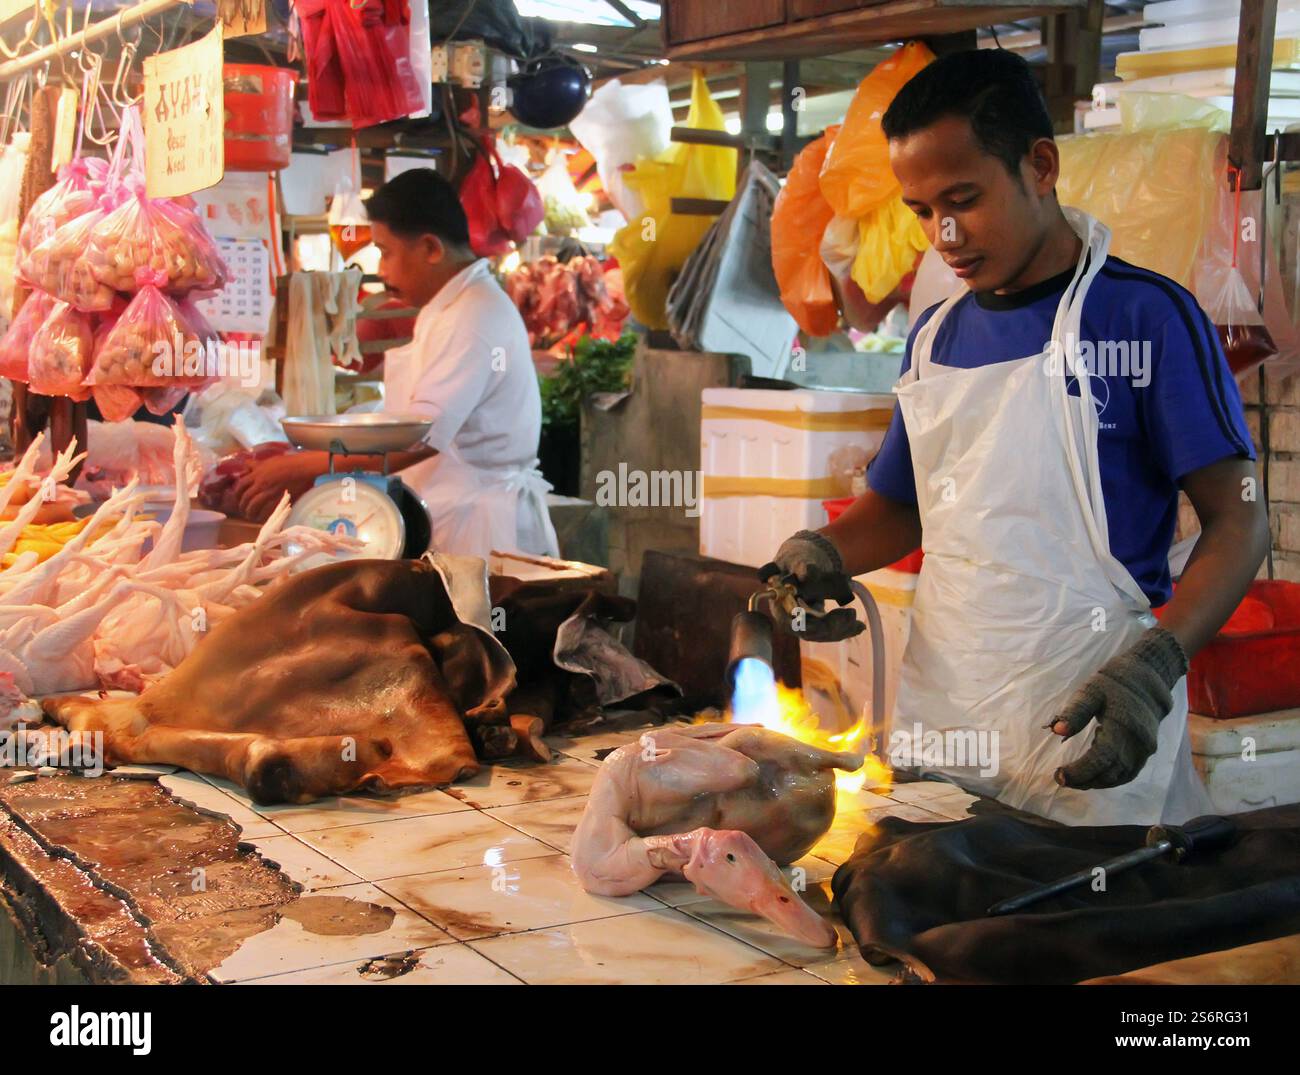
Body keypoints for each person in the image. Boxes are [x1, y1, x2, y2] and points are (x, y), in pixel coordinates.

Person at [762, 49, 1270, 826]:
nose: (945, 234)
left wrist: (1158, 664)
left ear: (1040, 166)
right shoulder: (934, 338)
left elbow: (1240, 520)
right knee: (919, 930)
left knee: (1077, 930)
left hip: (1091, 721)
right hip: (948, 719)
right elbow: (902, 506)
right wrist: (820, 556)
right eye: (922, 211)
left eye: (963, 198)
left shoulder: (1145, 319)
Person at [234, 168, 558, 559]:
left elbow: (421, 438)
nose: (382, 271)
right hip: (454, 513)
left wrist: (307, 464)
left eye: (386, 252)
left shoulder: (472, 317)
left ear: (431, 249)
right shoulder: (449, 305)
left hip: (480, 529)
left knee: (479, 621)